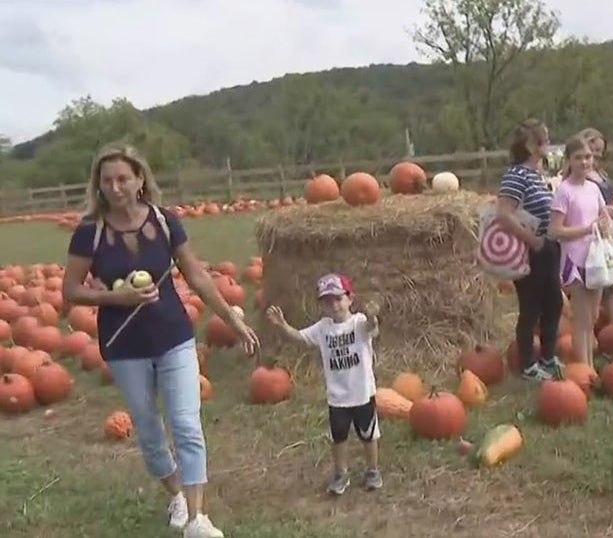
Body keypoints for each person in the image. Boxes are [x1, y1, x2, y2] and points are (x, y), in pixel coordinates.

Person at [62, 143, 260, 538]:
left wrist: (232, 321)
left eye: (123, 178)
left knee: (186, 422)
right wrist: (114, 298)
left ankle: (198, 519)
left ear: (140, 180)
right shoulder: (90, 232)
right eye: (107, 180)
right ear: (98, 186)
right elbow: (70, 290)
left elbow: (198, 275)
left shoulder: (165, 221)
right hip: (124, 346)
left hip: (173, 336)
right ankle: (177, 494)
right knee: (150, 431)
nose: (116, 187)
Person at [265, 273, 382, 495]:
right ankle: (341, 474)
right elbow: (299, 337)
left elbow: (372, 326)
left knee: (368, 434)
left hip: (362, 393)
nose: (335, 305)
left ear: (350, 299)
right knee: (338, 438)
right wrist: (282, 326)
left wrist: (372, 314)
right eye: (328, 301)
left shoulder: (358, 323)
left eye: (339, 299)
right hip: (337, 397)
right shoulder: (323, 328)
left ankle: (372, 470)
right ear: (323, 305)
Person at [495, 118, 563, 382]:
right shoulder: (517, 175)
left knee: (553, 303)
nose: (547, 144)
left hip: (549, 247)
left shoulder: (539, 174)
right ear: (530, 145)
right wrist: (530, 239)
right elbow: (503, 213)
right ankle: (527, 364)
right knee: (531, 306)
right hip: (530, 250)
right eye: (542, 140)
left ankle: (548, 356)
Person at [550, 136, 611, 367]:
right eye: (578, 158)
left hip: (595, 259)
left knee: (593, 316)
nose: (584, 162)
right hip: (574, 261)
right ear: (569, 161)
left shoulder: (594, 188)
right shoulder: (564, 192)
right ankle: (585, 369)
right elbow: (555, 230)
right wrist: (587, 229)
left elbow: (602, 214)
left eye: (588, 157)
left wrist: (606, 221)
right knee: (582, 318)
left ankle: (588, 364)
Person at [577, 127, 613, 325]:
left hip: (608, 228)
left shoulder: (601, 174)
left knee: (611, 274)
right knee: (596, 275)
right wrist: (607, 210)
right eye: (593, 149)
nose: (597, 154)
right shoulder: (582, 176)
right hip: (592, 230)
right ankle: (592, 322)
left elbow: (609, 195)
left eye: (600, 151)